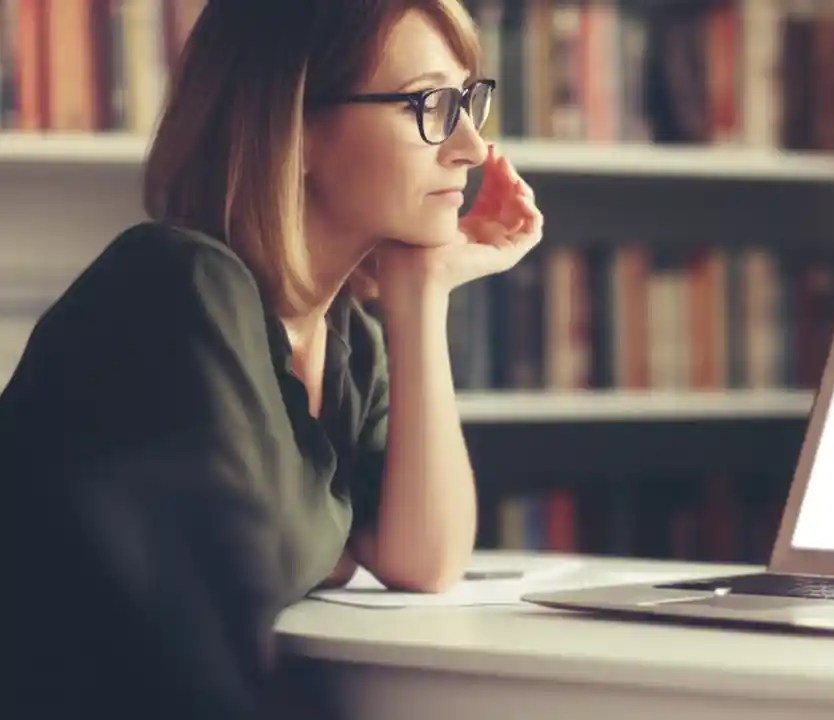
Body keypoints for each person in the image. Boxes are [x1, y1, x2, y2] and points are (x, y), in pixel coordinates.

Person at [1, 1, 542, 717]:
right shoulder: (177, 286)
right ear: (297, 124)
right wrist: (343, 541)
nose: (472, 147)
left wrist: (420, 296)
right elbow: (260, 559)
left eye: (469, 101)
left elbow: (423, 561)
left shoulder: (347, 340)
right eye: (431, 104)